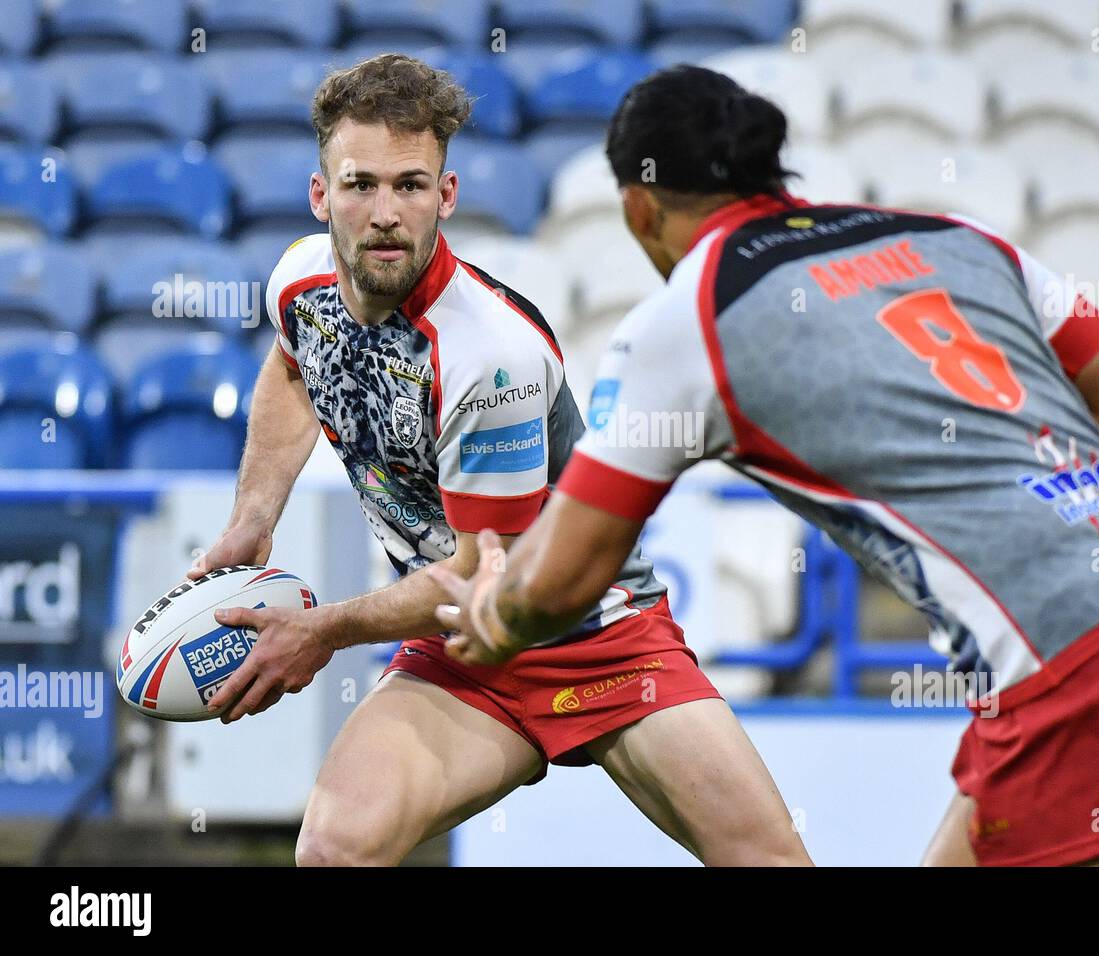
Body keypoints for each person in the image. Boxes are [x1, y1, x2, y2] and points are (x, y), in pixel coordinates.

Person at [430, 65, 1099, 867]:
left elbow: (570, 576)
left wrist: (495, 617)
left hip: (1074, 665)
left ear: (638, 207)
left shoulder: (692, 317)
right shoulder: (952, 238)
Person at [190, 55, 810, 867]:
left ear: (445, 197)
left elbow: (486, 568)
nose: (384, 212)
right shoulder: (299, 282)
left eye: (410, 185)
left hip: (595, 638)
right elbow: (292, 367)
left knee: (772, 863)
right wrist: (250, 521)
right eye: (360, 184)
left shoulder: (492, 355)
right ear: (321, 196)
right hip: (462, 651)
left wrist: (321, 631)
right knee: (334, 851)